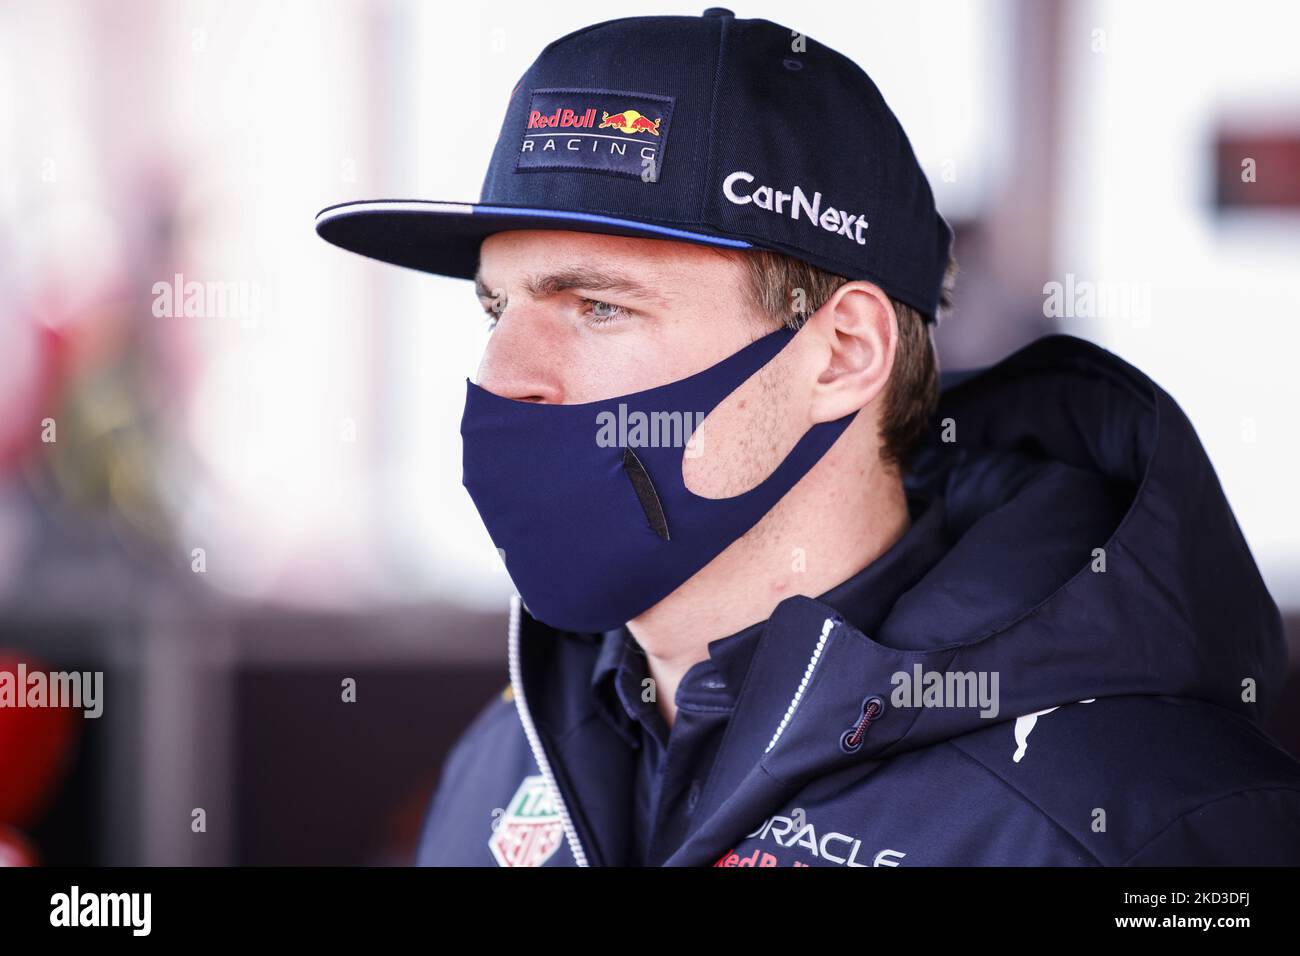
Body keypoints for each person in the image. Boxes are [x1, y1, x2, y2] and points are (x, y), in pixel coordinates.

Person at [316, 9, 1300, 866]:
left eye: (598, 307)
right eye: (497, 309)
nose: (501, 376)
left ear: (839, 353)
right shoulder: (506, 759)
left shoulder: (1138, 824)